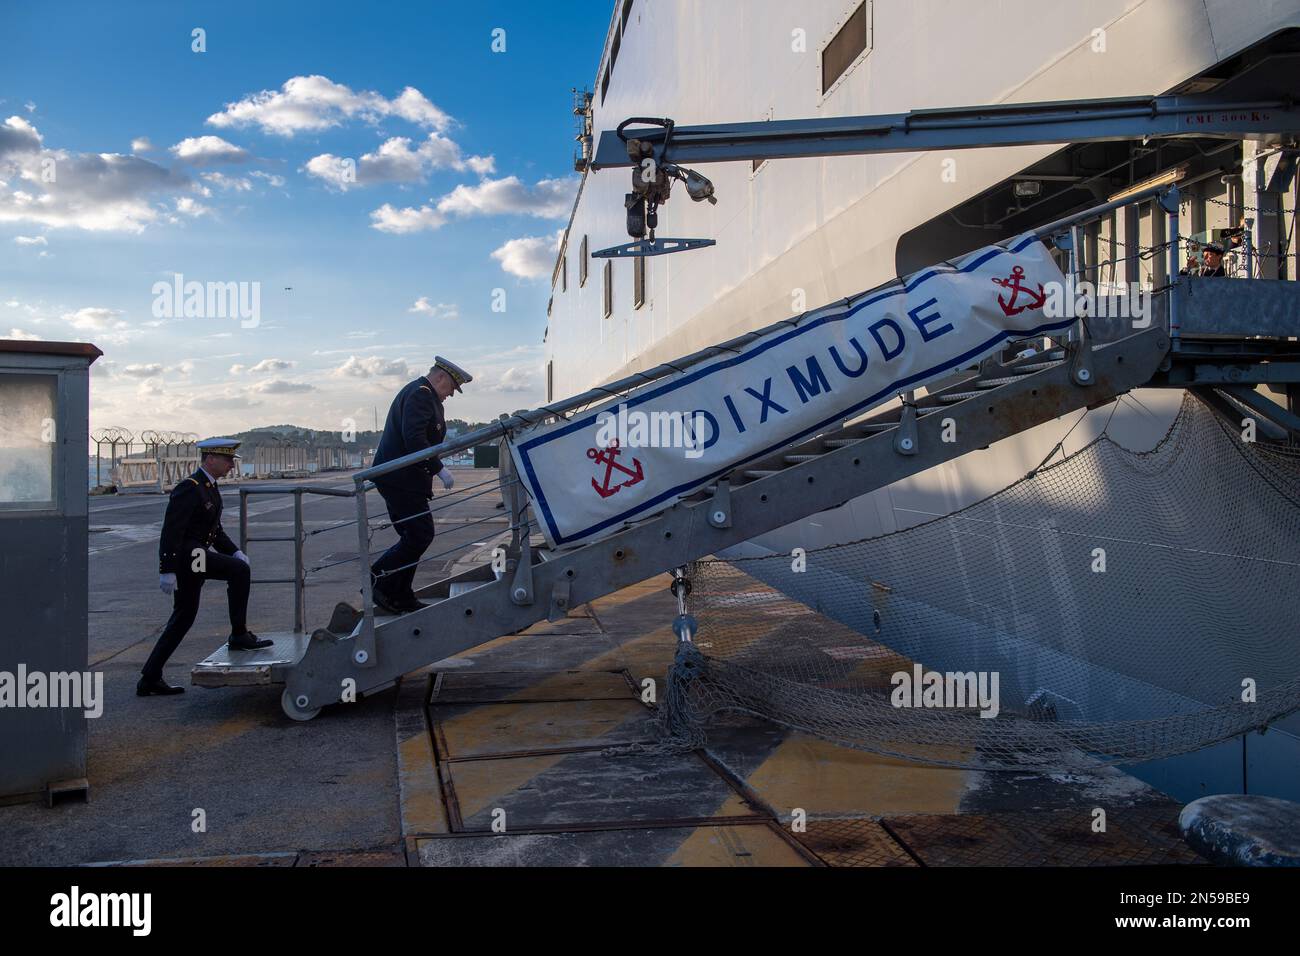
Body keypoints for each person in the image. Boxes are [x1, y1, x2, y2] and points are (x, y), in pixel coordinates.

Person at [138, 438, 271, 697]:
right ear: (211, 459)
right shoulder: (190, 488)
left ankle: (149, 677)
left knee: (183, 618)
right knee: (238, 572)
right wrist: (167, 568)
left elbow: (215, 530)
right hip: (189, 557)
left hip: (196, 555)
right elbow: (172, 530)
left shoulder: (208, 487)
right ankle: (239, 635)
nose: (232, 465)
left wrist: (233, 550)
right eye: (228, 460)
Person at [369, 357, 473, 614]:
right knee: (420, 535)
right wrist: (439, 469)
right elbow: (414, 437)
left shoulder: (422, 394)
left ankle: (401, 594)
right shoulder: (421, 395)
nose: (451, 395)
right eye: (451, 388)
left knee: (414, 536)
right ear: (440, 378)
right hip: (401, 480)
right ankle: (377, 579)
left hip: (403, 480)